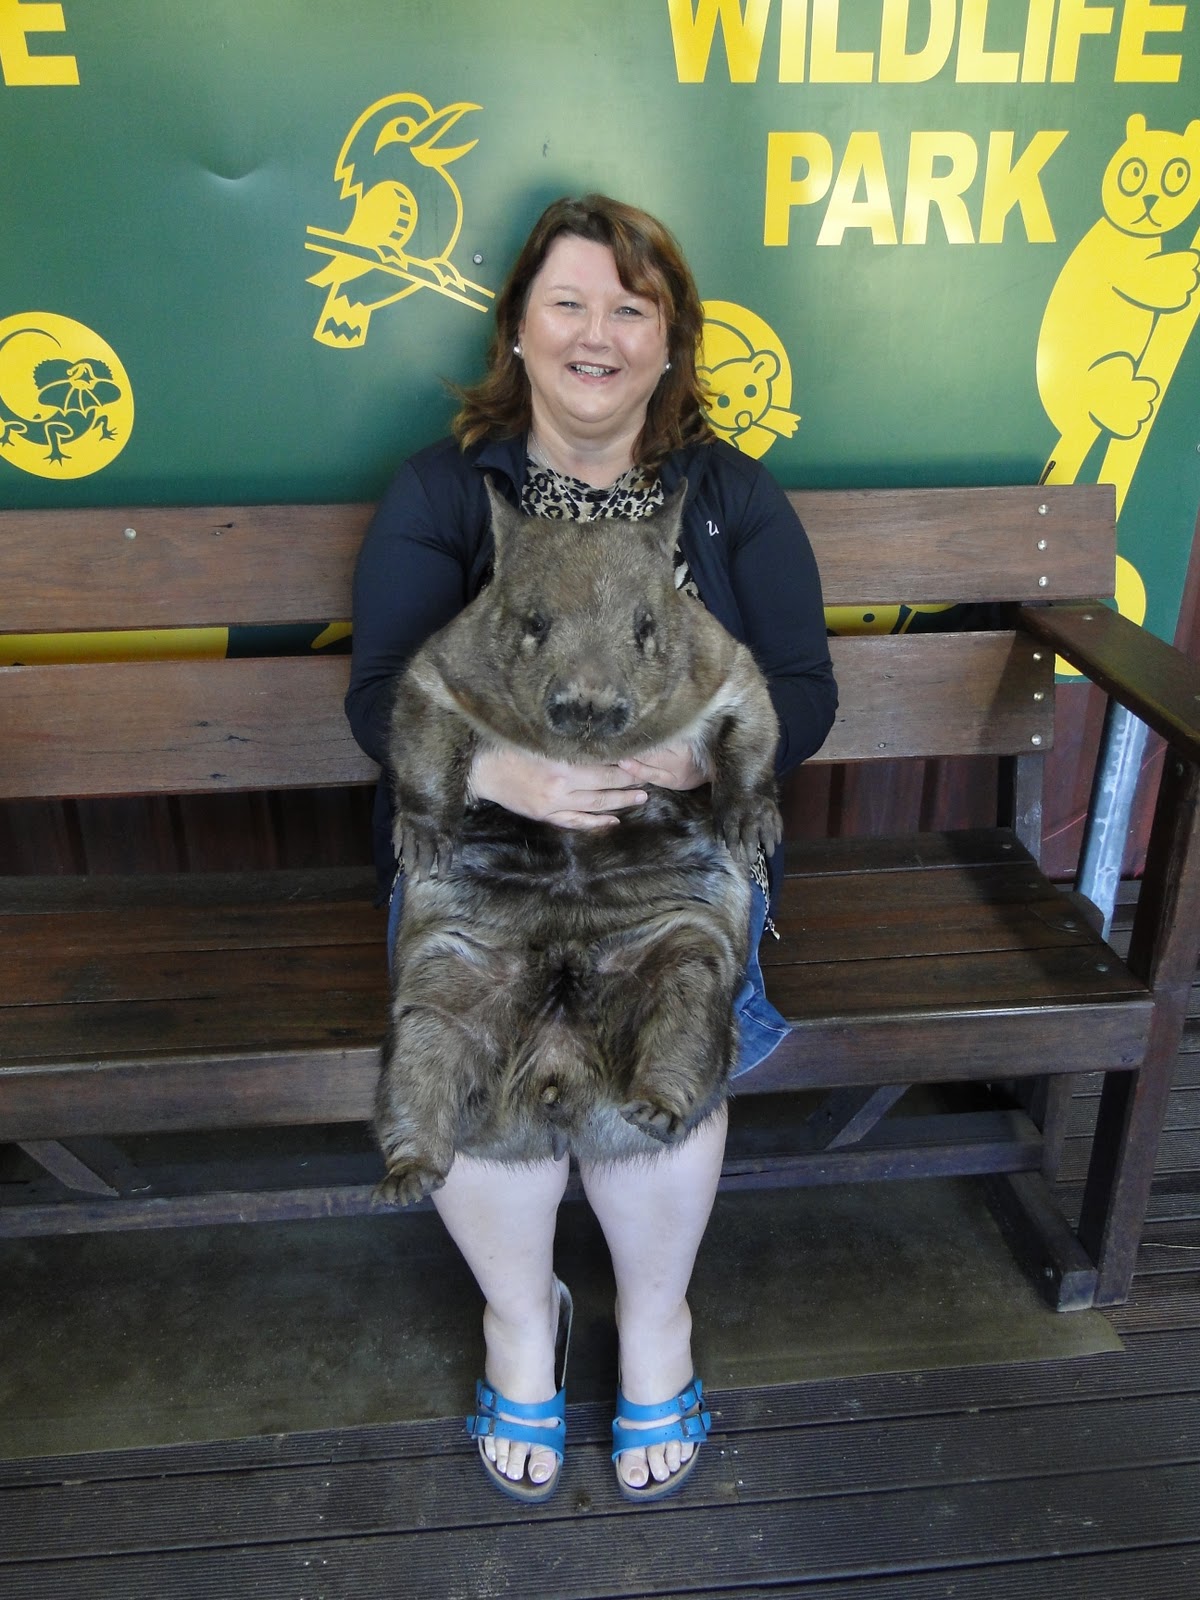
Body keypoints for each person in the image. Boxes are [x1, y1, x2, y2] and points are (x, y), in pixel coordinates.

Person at [346, 194, 836, 1503]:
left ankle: (655, 1323)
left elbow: (802, 686)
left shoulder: (727, 500)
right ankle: (522, 1321)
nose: (599, 334)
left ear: (669, 345)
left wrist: (691, 756)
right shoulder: (449, 493)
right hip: (487, 849)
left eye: (633, 309)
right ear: (518, 330)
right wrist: (496, 766)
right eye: (569, 303)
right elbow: (377, 693)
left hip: (669, 847)